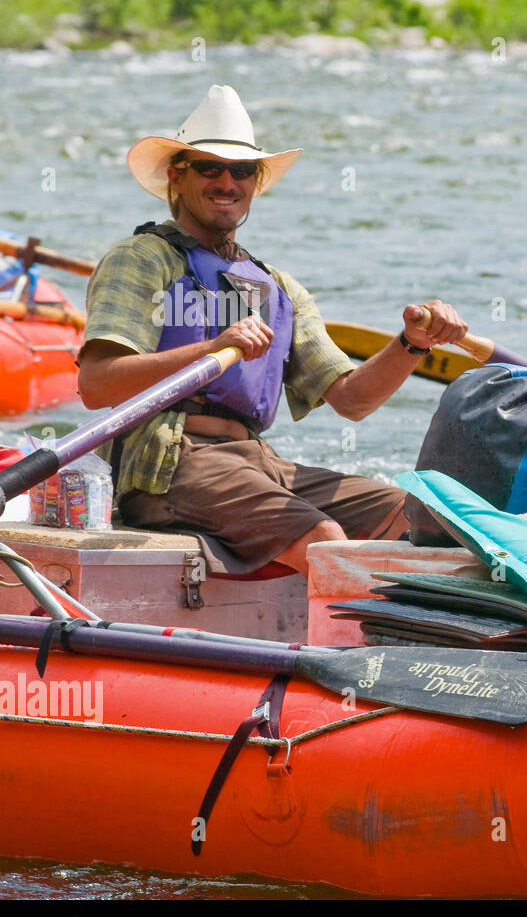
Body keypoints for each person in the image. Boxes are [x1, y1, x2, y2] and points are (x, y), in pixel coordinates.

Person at [78, 84, 468, 576]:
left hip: (256, 458)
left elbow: (351, 399)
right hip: (167, 462)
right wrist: (212, 348)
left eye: (241, 171)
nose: (227, 182)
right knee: (323, 538)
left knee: (412, 515)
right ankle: (361, 648)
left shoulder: (276, 287)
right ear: (178, 175)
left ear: (255, 182)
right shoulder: (140, 259)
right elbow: (96, 385)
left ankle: (424, 632)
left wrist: (411, 344)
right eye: (209, 168)